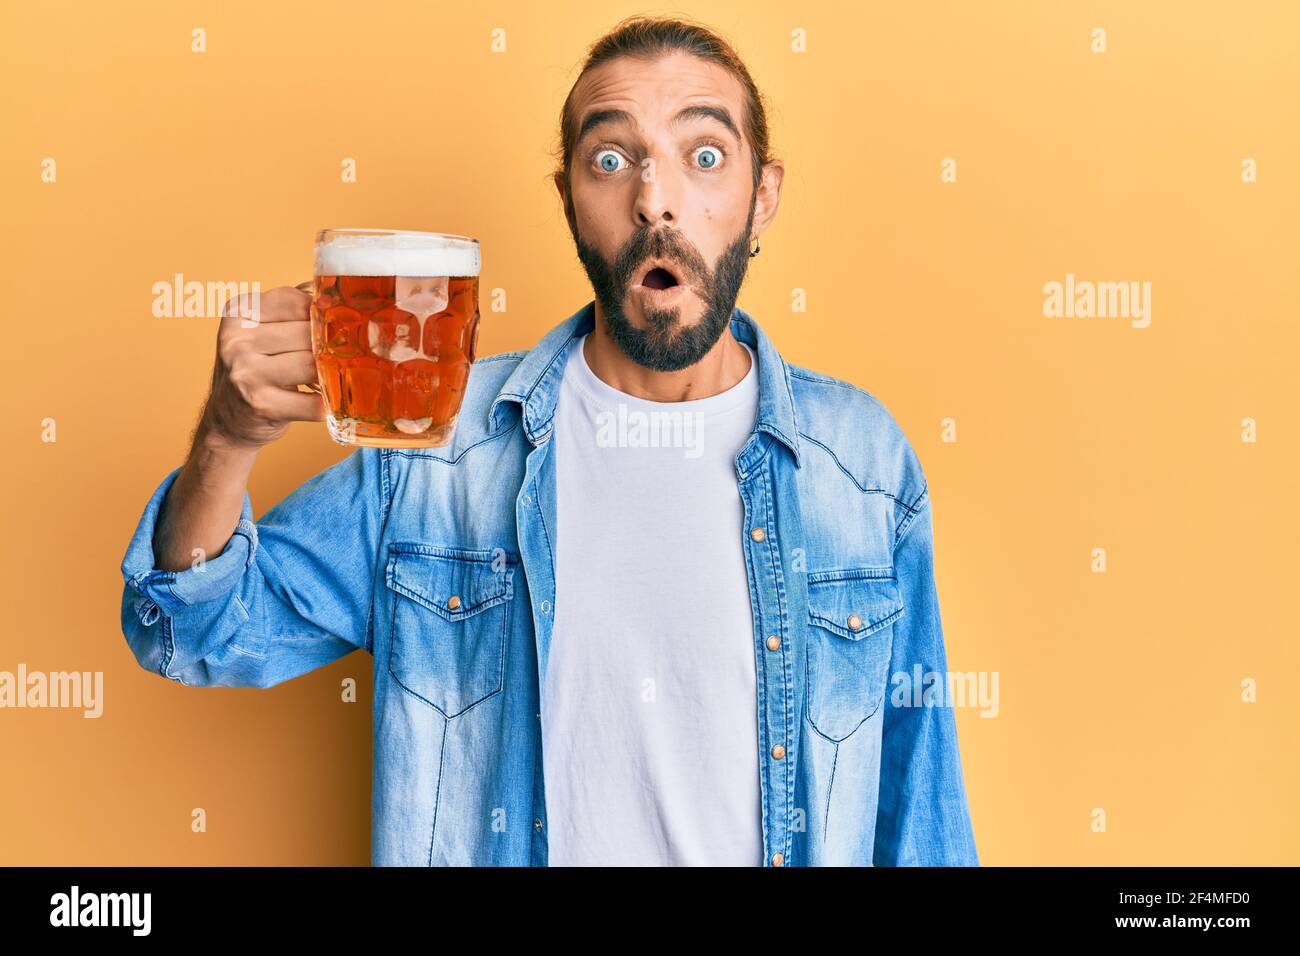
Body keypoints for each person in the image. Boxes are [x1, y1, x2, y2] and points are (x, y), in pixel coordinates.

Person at [119, 15, 979, 867]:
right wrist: (228, 440)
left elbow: (921, 813)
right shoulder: (438, 452)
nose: (655, 197)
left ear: (763, 199)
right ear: (568, 200)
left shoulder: (861, 466)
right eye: (611, 159)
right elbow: (192, 635)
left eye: (704, 155)